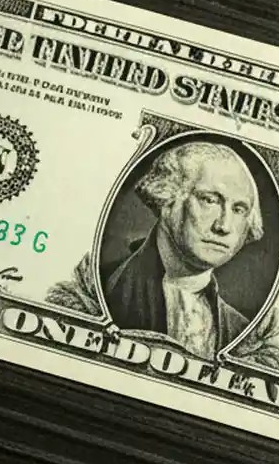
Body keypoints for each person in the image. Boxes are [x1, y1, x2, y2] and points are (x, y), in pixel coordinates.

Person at [102, 141, 263, 359]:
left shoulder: (242, 332)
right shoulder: (102, 287)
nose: (224, 226)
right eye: (210, 201)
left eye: (238, 209)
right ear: (166, 200)